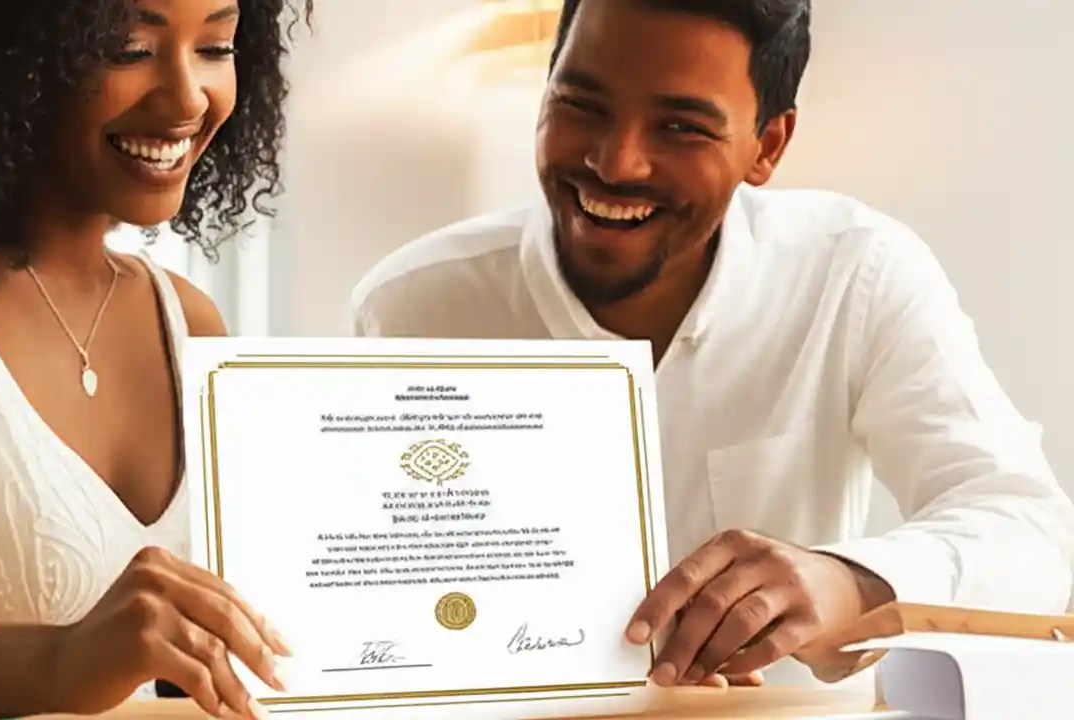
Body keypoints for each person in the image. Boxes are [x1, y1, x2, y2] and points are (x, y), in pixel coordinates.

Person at [347, 0, 1074, 689]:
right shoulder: (411, 305)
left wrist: (847, 582)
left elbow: (1033, 533)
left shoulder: (854, 273)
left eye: (681, 127)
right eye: (581, 106)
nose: (617, 162)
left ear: (768, 145)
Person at [0, 1, 309, 717]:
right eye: (130, 49)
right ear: (7, 57)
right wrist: (62, 661)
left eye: (216, 48)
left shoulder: (192, 324)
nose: (189, 99)